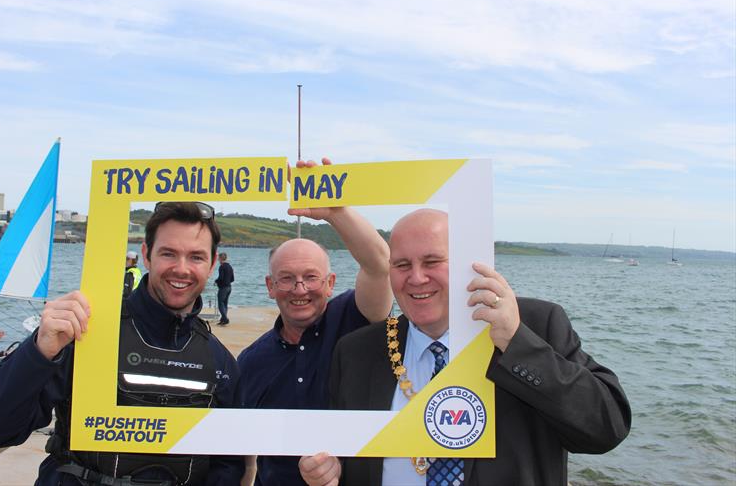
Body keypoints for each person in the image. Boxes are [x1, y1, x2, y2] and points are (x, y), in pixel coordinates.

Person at [300, 209, 631, 486]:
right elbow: (344, 456)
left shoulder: (536, 324)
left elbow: (606, 428)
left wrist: (517, 343)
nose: (416, 278)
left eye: (432, 261)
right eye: (402, 265)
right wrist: (328, 473)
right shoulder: (358, 351)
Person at [0, 201, 244, 486]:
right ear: (147, 256)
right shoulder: (85, 335)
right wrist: (39, 351)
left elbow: (227, 464)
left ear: (213, 265)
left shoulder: (219, 362)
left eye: (196, 257)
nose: (182, 269)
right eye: (168, 253)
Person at [237, 158, 394, 486]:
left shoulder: (355, 317)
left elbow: (381, 264)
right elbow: (245, 450)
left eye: (311, 277)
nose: (300, 289)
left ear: (330, 283)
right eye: (286, 278)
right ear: (269, 287)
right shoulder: (250, 360)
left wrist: (337, 213)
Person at [215, 252, 235, 326]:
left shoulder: (222, 267)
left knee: (220, 303)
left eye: (218, 258)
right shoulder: (230, 267)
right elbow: (232, 279)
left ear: (220, 259)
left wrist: (216, 281)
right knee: (225, 303)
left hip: (223, 288)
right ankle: (223, 319)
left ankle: (225, 319)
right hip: (229, 287)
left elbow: (221, 278)